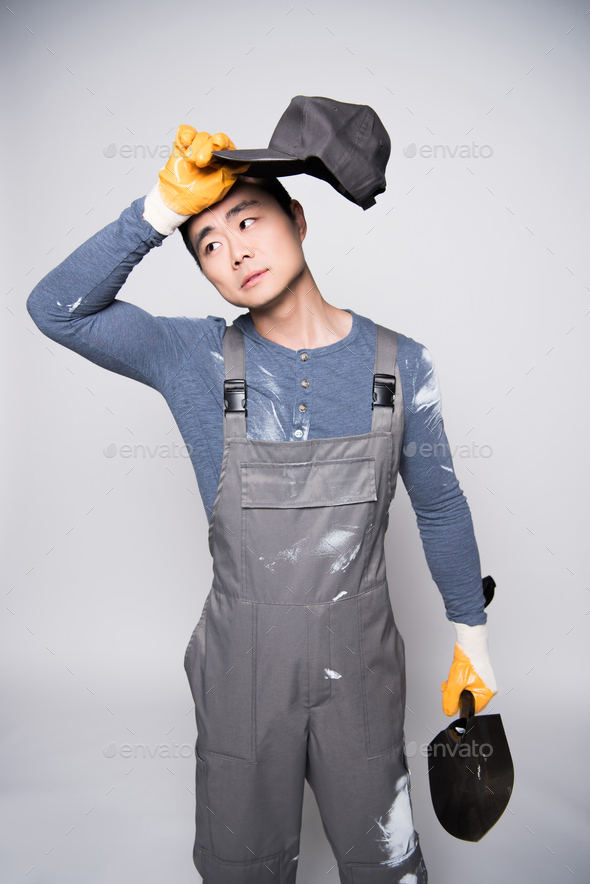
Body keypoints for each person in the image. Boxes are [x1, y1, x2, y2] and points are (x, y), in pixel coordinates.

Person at [27, 118, 497, 884]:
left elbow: (441, 507)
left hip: (363, 676)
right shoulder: (195, 359)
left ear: (298, 219)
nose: (234, 249)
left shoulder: (402, 364)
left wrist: (472, 642)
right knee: (243, 869)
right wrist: (155, 212)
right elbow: (56, 309)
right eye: (208, 241)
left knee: (386, 867)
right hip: (242, 680)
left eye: (248, 220)